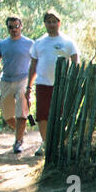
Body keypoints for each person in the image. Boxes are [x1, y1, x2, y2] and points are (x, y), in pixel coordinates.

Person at [28, 9, 79, 157]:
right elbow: (33, 65)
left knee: (61, 114)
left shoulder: (67, 42)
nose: (51, 24)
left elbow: (76, 60)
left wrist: (72, 79)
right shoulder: (39, 42)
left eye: (54, 21)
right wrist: (28, 86)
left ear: (59, 23)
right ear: (45, 24)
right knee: (42, 115)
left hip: (62, 84)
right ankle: (45, 143)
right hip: (43, 83)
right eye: (48, 22)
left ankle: (58, 143)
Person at [0, 16, 35, 153]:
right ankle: (20, 131)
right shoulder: (2, 44)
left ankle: (18, 142)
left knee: (21, 112)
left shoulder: (30, 43)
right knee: (7, 115)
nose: (14, 29)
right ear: (7, 28)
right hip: (6, 80)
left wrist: (32, 83)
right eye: (11, 27)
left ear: (21, 26)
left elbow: (36, 62)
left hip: (23, 80)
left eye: (16, 26)